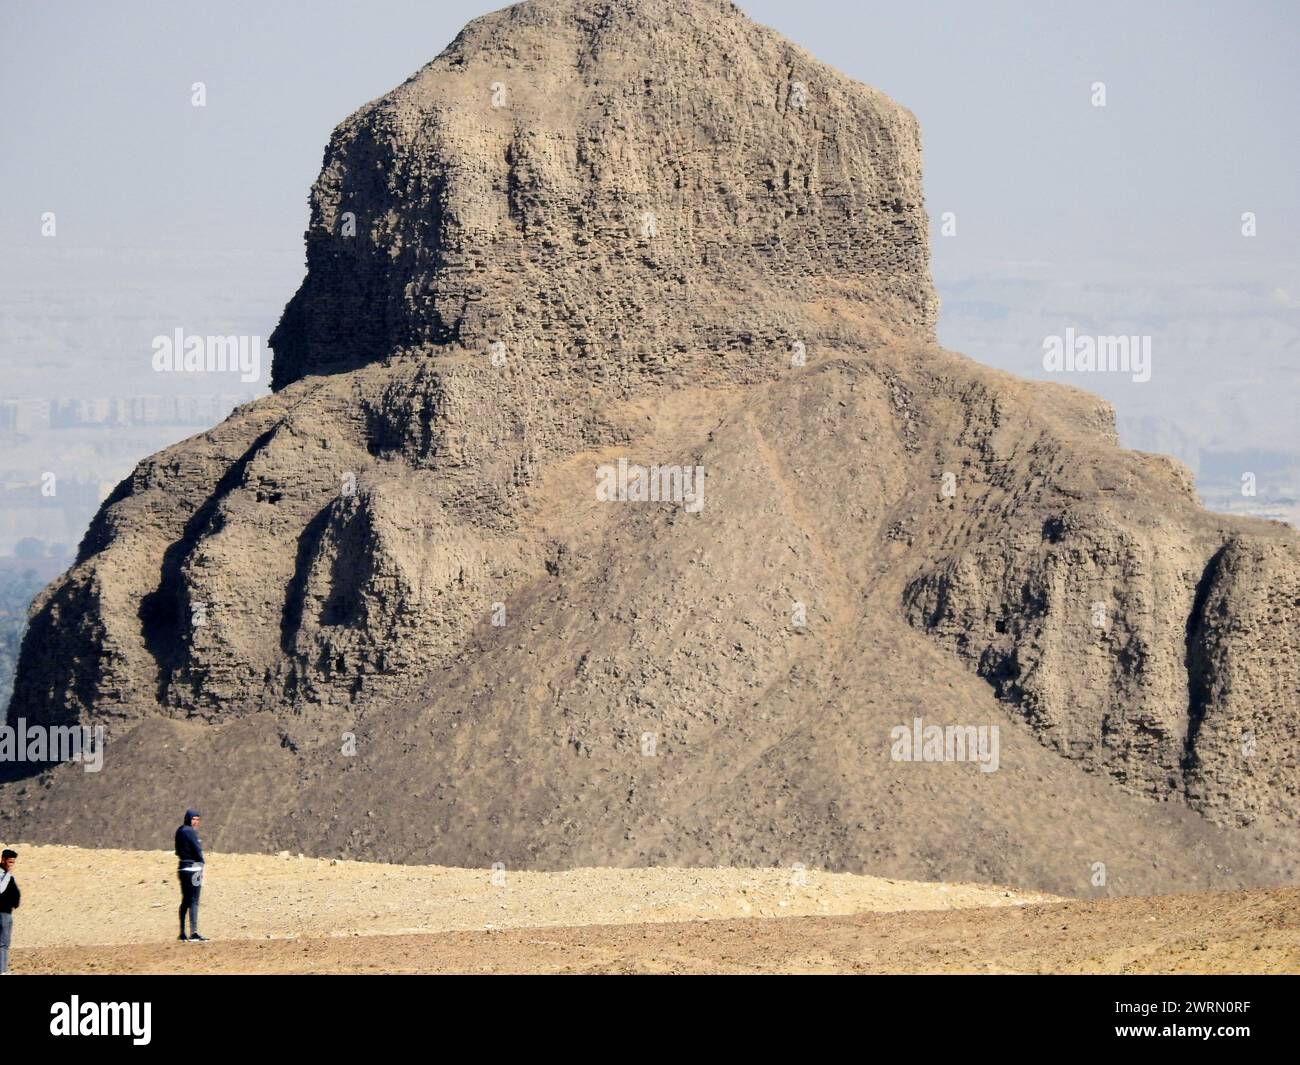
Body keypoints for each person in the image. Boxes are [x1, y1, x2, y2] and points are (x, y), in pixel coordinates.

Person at [174, 809, 208, 942]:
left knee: (185, 900)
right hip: (194, 868)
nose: (196, 822)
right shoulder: (191, 832)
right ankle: (194, 933)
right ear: (188, 818)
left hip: (182, 868)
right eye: (194, 818)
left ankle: (182, 932)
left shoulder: (179, 831)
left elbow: (177, 851)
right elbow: (198, 851)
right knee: (194, 900)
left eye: (198, 819)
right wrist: (202, 864)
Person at [0, 849, 19, 974]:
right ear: (3, 860)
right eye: (9, 862)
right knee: (3, 944)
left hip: (7, 912)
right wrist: (8, 874)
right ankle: (3, 970)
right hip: (2, 913)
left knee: (5, 943)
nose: (11, 865)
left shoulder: (7, 874)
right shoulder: (3, 874)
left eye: (13, 862)